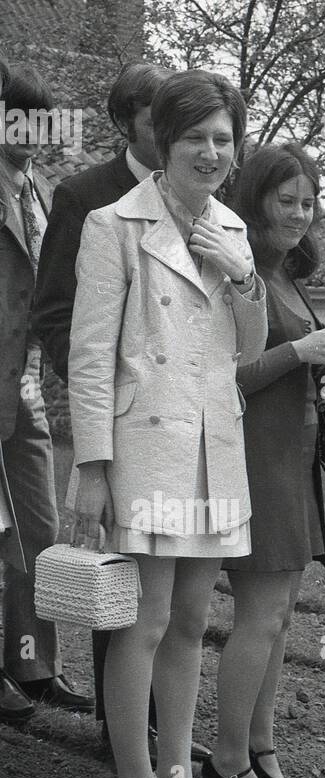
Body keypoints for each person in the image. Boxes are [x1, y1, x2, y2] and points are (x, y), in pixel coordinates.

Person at [69, 69, 267, 778]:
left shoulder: (230, 227)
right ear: (164, 141)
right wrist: (90, 466)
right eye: (196, 139)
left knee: (190, 624)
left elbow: (249, 351)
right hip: (145, 451)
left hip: (213, 454)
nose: (212, 153)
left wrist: (243, 271)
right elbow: (87, 358)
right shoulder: (111, 225)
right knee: (144, 625)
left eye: (224, 139)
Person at [31, 60, 184, 755]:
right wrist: (105, 402)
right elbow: (58, 315)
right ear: (127, 124)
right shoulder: (84, 196)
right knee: (118, 574)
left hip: (184, 425)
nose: (178, 135)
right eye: (161, 122)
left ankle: (165, 730)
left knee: (173, 584)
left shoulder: (196, 194)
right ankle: (119, 730)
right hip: (119, 418)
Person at [211, 141, 325, 778]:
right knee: (259, 616)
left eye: (309, 201)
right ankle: (229, 757)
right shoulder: (239, 273)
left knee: (281, 617)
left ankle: (261, 745)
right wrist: (300, 351)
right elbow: (225, 378)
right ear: (256, 198)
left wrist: (319, 381)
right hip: (254, 462)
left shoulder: (287, 272)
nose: (300, 213)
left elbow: (286, 368)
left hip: (294, 461)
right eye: (287, 200)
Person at [0, 61, 93, 723]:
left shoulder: (38, 187)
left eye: (38, 120)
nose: (29, 131)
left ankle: (33, 664)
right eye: (16, 117)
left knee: (41, 530)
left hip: (22, 381)